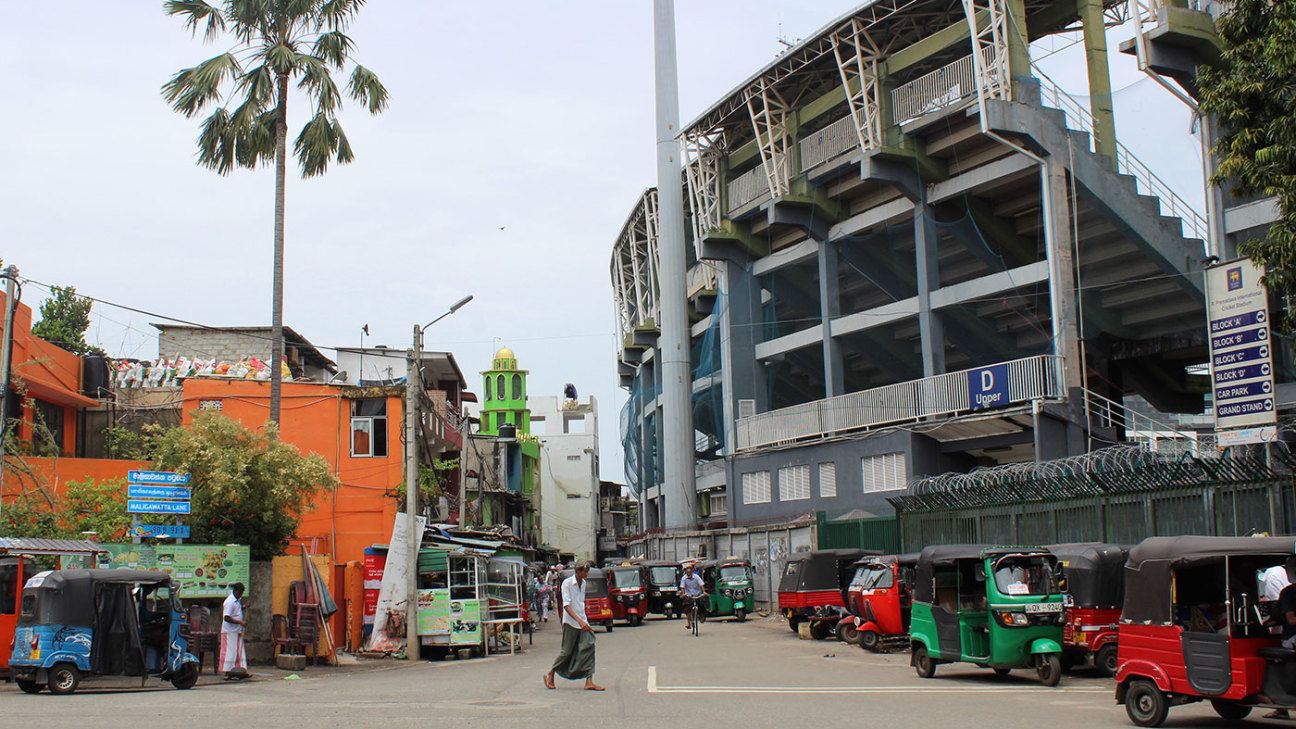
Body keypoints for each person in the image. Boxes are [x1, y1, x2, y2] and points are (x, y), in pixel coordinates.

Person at [544, 562, 605, 691]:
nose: (587, 574)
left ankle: (589, 680)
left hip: (582, 620)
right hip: (571, 622)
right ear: (578, 571)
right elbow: (566, 605)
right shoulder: (567, 583)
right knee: (566, 652)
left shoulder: (583, 584)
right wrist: (579, 621)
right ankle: (551, 672)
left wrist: (584, 621)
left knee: (589, 646)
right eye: (585, 572)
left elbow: (580, 604)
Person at [220, 582, 249, 680]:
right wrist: (240, 622)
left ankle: (241, 671)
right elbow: (227, 617)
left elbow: (237, 610)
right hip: (229, 631)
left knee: (239, 651)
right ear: (237, 591)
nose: (241, 595)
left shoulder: (237, 600)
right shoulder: (229, 602)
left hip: (237, 631)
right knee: (230, 652)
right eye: (241, 592)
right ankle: (228, 672)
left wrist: (244, 607)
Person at [679, 562, 707, 630]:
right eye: (687, 571)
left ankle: (701, 616)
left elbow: (701, 585)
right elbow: (682, 587)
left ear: (692, 571)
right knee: (687, 608)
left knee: (702, 604)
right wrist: (683, 594)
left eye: (690, 570)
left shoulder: (697, 577)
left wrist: (704, 592)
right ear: (685, 572)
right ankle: (689, 623)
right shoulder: (683, 578)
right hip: (689, 595)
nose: (688, 572)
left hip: (698, 594)